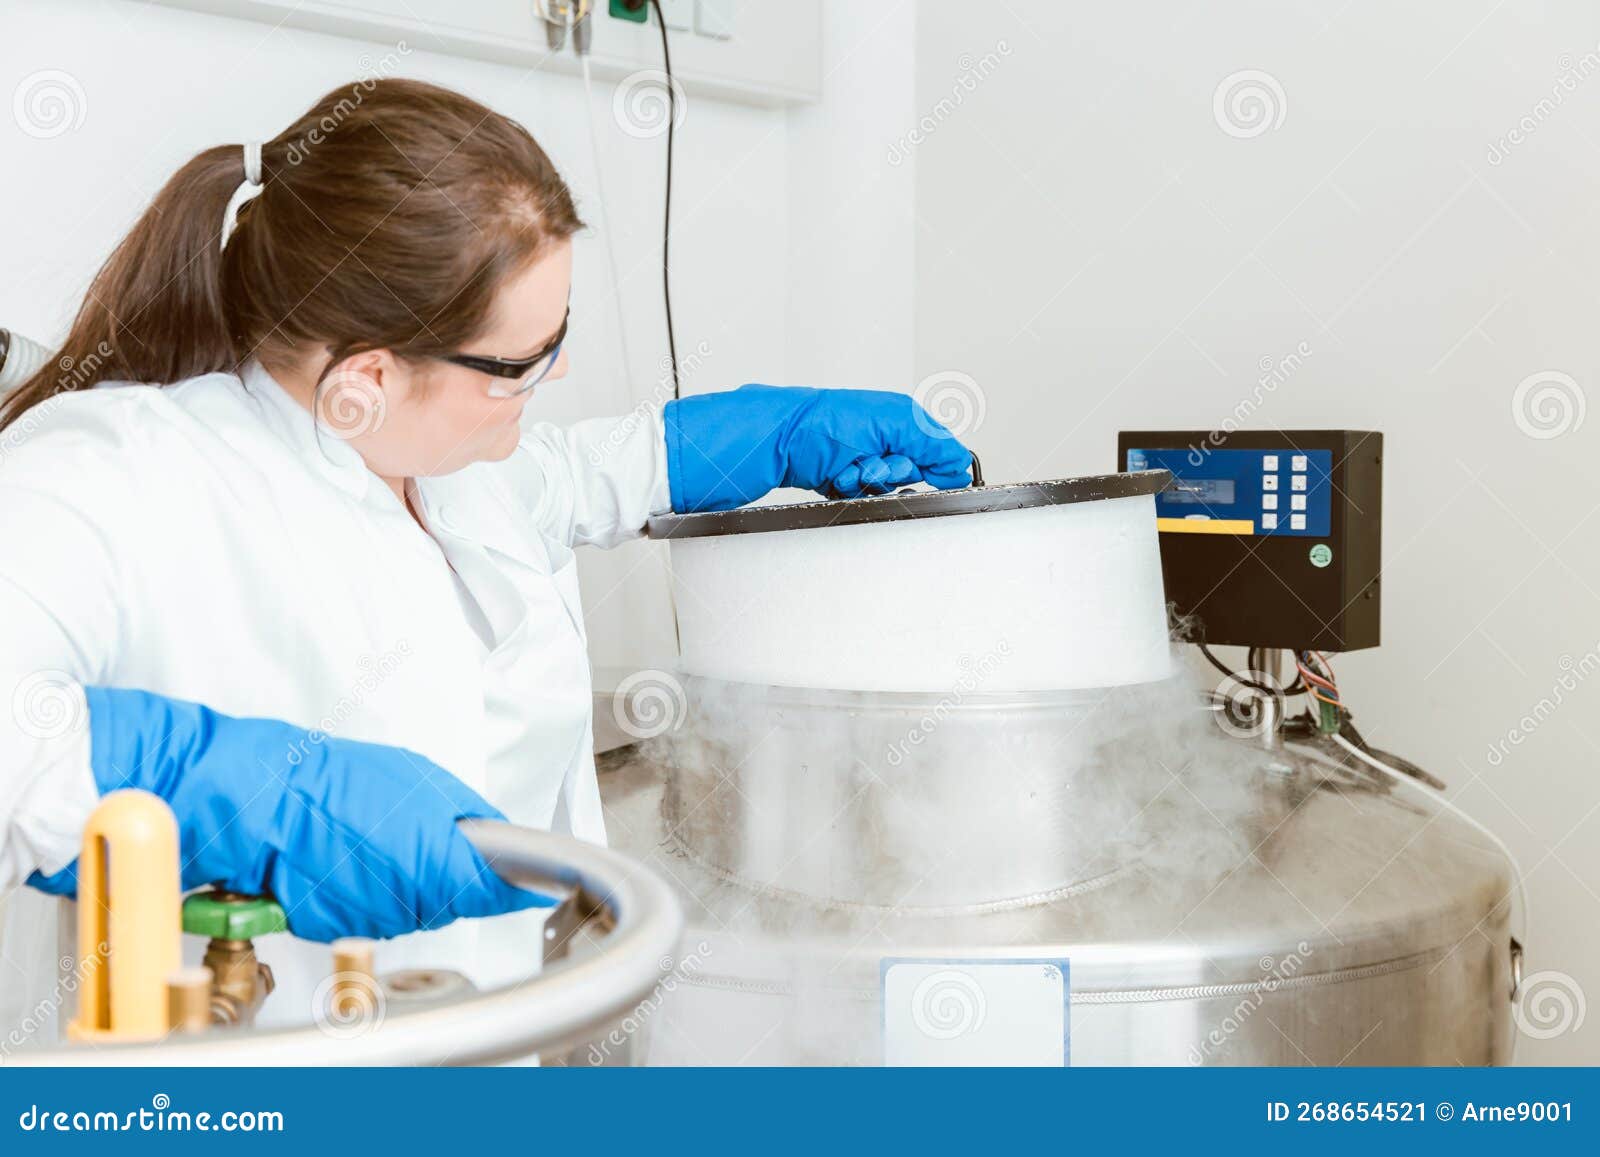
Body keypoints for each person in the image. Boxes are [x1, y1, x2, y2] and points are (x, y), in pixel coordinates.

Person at [0, 78, 972, 1040]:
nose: (546, 380)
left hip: (490, 1057)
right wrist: (263, 798)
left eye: (558, 339)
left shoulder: (444, 466)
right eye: (520, 364)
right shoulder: (122, 470)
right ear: (367, 378)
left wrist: (772, 436)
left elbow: (584, 469)